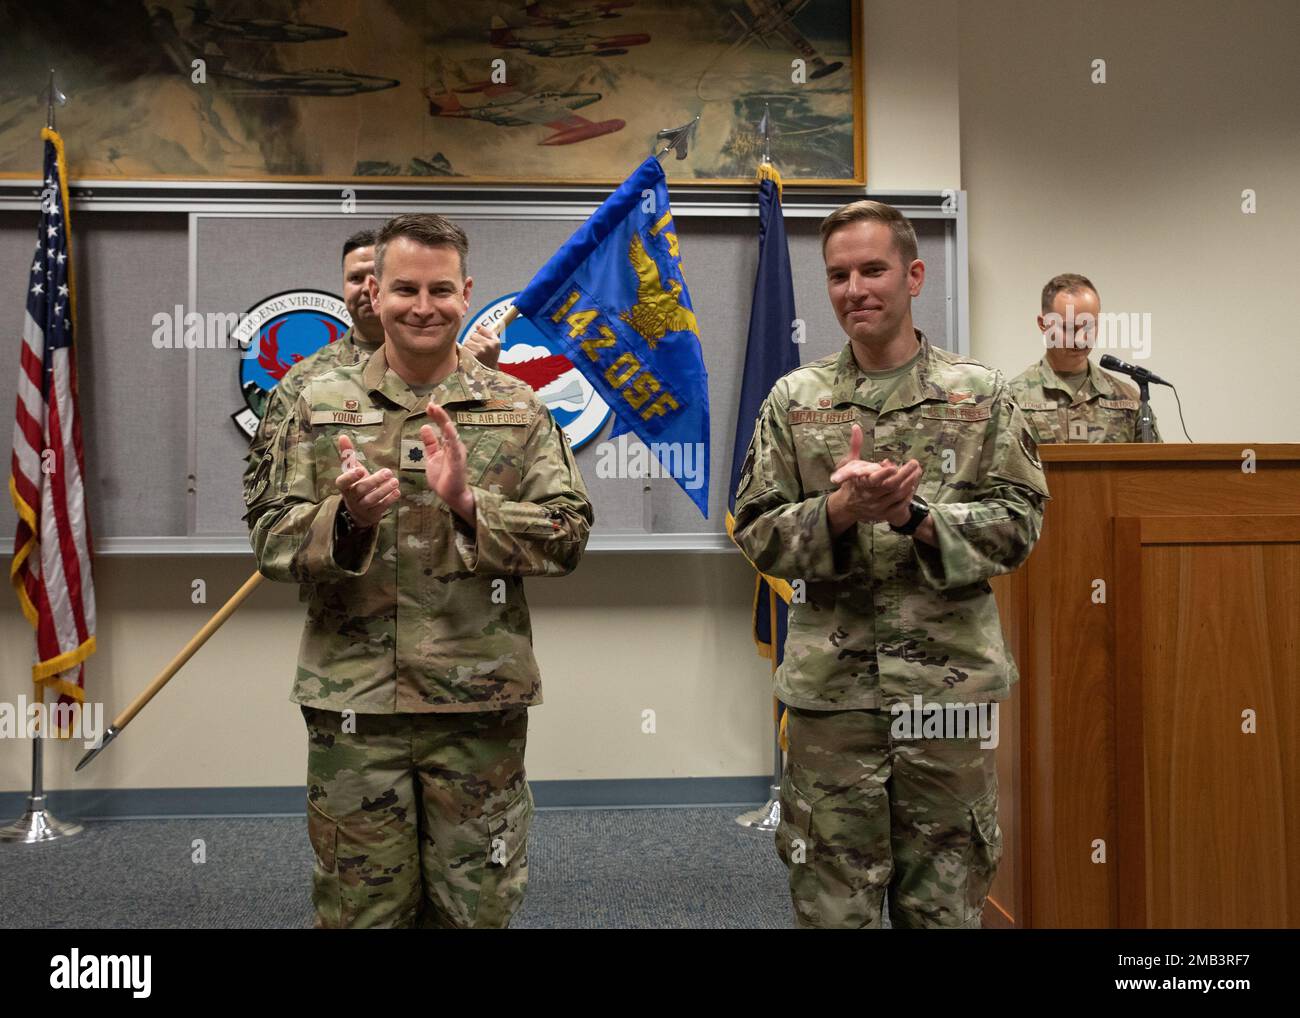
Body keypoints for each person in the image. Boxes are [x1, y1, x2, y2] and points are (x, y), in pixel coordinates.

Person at [244, 213, 592, 928]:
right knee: (360, 911)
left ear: (467, 294)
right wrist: (346, 524)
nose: (423, 306)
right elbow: (270, 538)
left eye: (440, 289)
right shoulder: (315, 406)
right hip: (355, 710)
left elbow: (568, 535)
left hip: (477, 708)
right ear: (374, 291)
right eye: (404, 288)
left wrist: (471, 505)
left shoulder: (517, 406)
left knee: (477, 911)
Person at [732, 200, 1049, 929]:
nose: (855, 289)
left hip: (948, 692)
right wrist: (838, 514)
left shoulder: (982, 395)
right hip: (831, 699)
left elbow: (1021, 523)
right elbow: (754, 529)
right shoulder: (795, 400)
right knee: (831, 904)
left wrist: (915, 518)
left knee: (943, 903)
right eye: (838, 275)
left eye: (872, 270)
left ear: (913, 275)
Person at [242, 229, 502, 500]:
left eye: (376, 278)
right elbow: (264, 488)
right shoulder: (305, 380)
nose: (366, 288)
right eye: (355, 278)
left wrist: (482, 375)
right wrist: (342, 516)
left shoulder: (465, 366)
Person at [1008, 273, 1163, 443]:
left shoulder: (1127, 400)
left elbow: (1154, 467)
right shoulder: (1014, 399)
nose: (1080, 339)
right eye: (1068, 327)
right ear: (1043, 324)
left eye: (1089, 326)